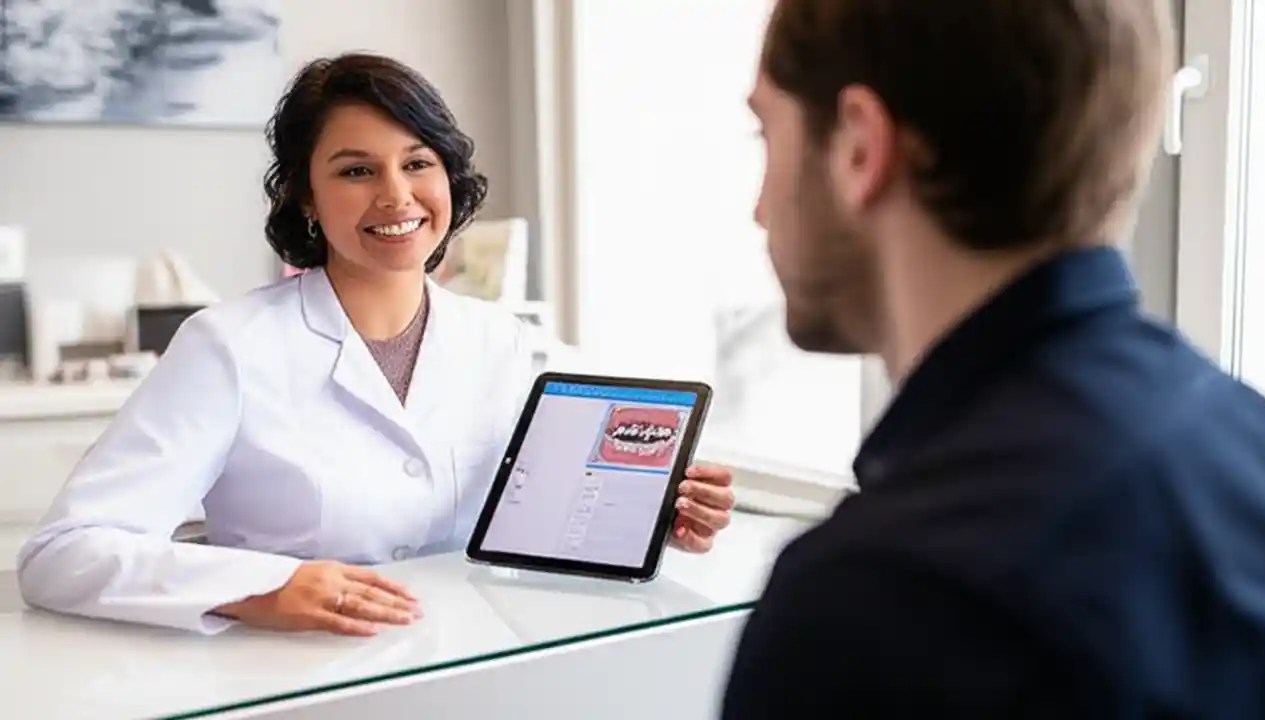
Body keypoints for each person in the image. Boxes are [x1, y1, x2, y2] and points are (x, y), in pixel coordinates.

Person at [17, 54, 735, 637]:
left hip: (469, 670)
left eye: (418, 163)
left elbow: (527, 530)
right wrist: (267, 587)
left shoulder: (503, 343)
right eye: (357, 171)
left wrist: (642, 516)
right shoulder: (228, 346)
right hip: (289, 685)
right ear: (304, 195)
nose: (397, 196)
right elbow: (61, 555)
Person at [722, 1, 1265, 718]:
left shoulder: (874, 606)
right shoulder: (1245, 437)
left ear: (860, 147)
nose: (760, 208)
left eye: (766, 132)